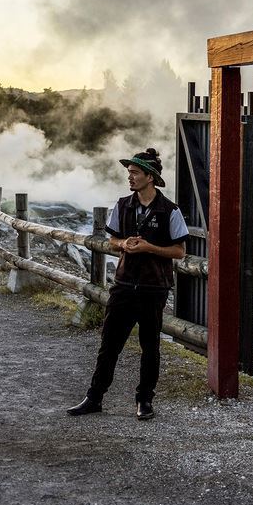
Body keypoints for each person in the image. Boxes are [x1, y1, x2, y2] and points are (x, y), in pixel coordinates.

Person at [68, 148, 188, 421]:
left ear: (150, 177)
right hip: (123, 283)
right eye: (129, 173)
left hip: (153, 287)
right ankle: (94, 397)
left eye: (135, 173)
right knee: (109, 343)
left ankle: (145, 400)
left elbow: (179, 251)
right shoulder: (123, 205)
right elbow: (112, 240)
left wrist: (149, 247)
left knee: (150, 346)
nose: (130, 177)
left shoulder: (170, 210)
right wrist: (123, 244)